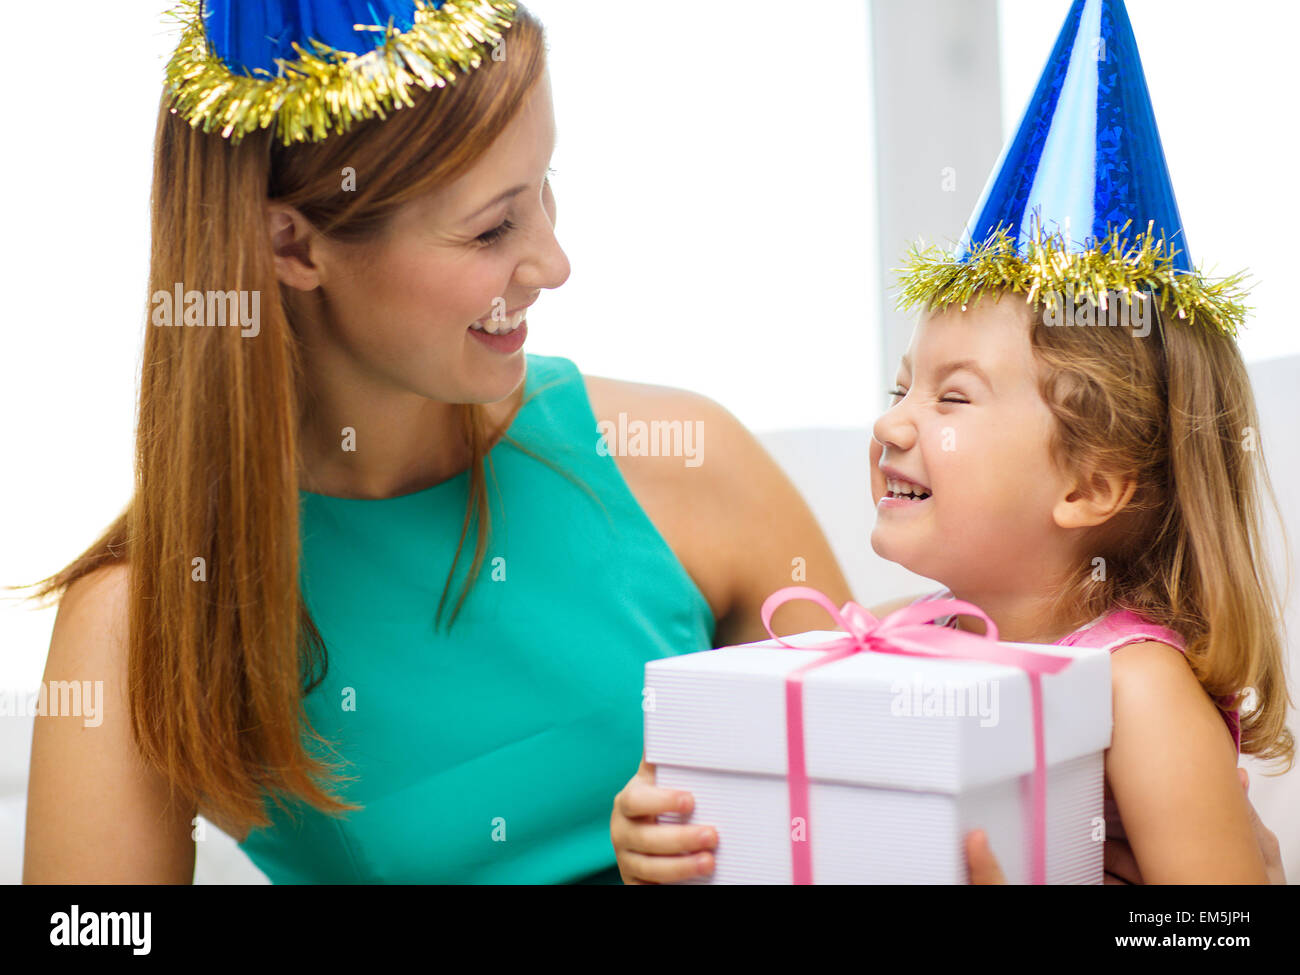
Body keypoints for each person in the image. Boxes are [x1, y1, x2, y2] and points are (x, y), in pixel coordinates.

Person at [21, 0, 854, 883]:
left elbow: (904, 787)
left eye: (544, 190)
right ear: (291, 244)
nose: (552, 262)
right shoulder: (147, 618)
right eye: (493, 227)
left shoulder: (684, 460)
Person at [610, 0, 1292, 885]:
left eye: (952, 397)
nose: (892, 422)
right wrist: (668, 832)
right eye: (901, 387)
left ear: (1090, 484)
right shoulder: (894, 637)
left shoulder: (1137, 693)